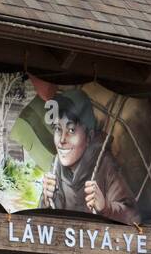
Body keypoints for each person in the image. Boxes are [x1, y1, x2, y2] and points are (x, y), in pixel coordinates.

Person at [39, 88, 140, 225]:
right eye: (58, 129)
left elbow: (134, 217)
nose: (62, 139)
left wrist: (105, 207)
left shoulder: (104, 165)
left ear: (89, 137)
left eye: (71, 130)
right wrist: (45, 201)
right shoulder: (56, 166)